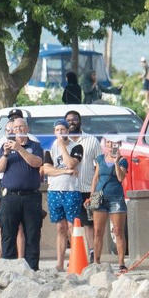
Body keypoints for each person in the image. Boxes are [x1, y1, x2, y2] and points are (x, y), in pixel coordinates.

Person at [0, 117, 44, 270]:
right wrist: (5, 154)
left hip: (31, 197)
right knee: (8, 234)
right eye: (15, 128)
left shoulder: (35, 146)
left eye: (21, 127)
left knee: (32, 234)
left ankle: (32, 269)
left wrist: (20, 149)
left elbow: (36, 163)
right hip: (10, 197)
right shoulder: (6, 146)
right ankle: (9, 268)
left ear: (27, 129)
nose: (18, 130)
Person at [42, 119, 83, 271]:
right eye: (57, 130)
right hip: (54, 190)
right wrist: (65, 171)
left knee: (72, 226)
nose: (60, 132)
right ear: (54, 132)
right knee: (60, 227)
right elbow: (46, 170)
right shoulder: (49, 148)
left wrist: (62, 147)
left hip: (71, 190)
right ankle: (59, 262)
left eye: (63, 129)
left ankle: (74, 259)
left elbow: (71, 163)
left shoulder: (76, 146)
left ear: (67, 131)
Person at [66, 109, 101, 262]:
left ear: (80, 121)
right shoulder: (62, 142)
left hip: (90, 190)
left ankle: (93, 253)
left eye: (74, 119)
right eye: (68, 120)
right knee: (71, 223)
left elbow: (100, 165)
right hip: (69, 189)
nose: (71, 122)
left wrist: (96, 189)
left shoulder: (92, 140)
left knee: (91, 224)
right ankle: (76, 255)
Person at [88, 136, 128, 270]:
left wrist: (116, 162)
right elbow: (95, 178)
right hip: (99, 196)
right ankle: (96, 261)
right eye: (109, 142)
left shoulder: (123, 160)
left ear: (119, 144)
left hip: (116, 197)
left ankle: (121, 263)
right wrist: (91, 196)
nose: (111, 145)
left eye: (114, 143)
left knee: (118, 231)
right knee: (98, 231)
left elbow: (121, 178)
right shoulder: (100, 158)